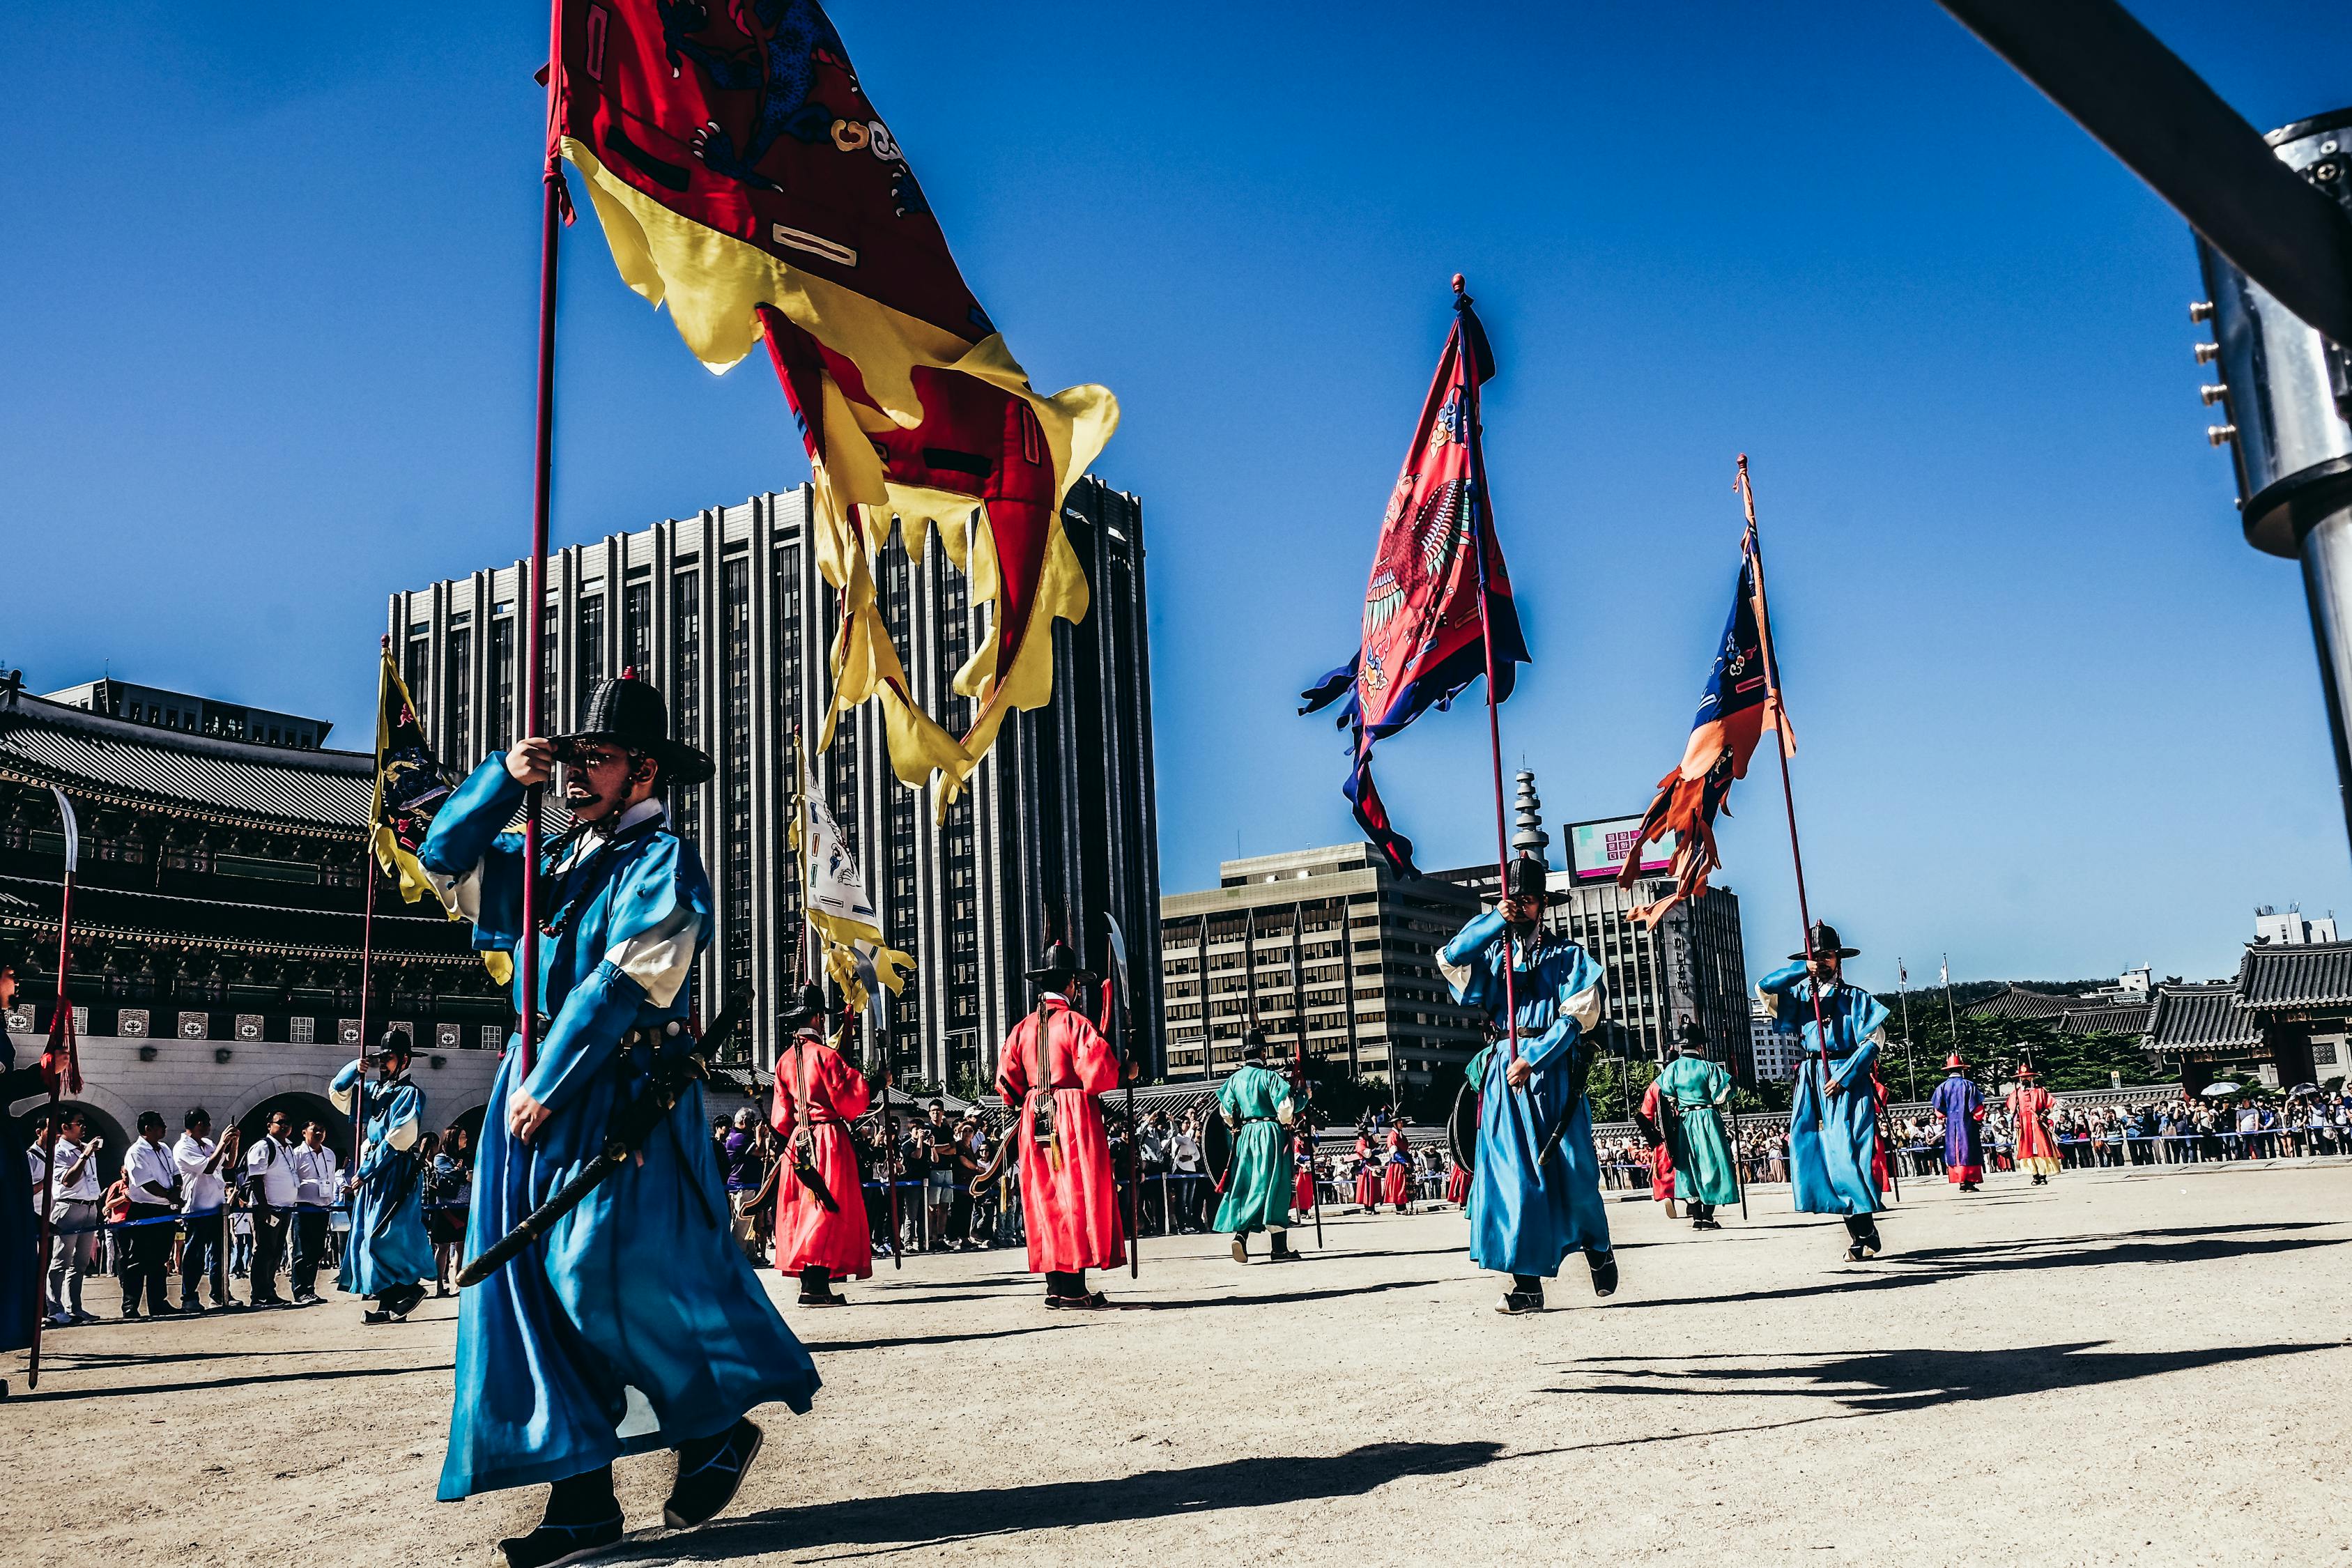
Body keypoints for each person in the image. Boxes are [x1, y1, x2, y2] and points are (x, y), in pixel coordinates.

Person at [420, 675, 815, 1562]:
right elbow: (443, 860)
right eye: (567, 756)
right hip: (534, 1090)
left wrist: (551, 1078)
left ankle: (711, 1424)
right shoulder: (548, 859)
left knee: (589, 1273)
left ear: (644, 769)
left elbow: (628, 980)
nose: (572, 773)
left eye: (592, 757)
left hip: (614, 1091)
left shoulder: (663, 861)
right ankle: (583, 1501)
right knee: (532, 1298)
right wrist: (498, 777)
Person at [1438, 854, 1615, 1315]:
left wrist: (1533, 1058)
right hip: (1503, 1073)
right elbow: (1450, 957)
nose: (1522, 906)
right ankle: (1526, 1285)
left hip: (1550, 1068)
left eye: (1529, 899)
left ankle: (1596, 1246)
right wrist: (1493, 919)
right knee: (1511, 1180)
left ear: (1542, 904)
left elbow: (1577, 1018)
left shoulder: (1569, 956)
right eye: (1514, 899)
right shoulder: (1492, 956)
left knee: (1573, 1173)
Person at [989, 940, 1130, 1309]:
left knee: (1046, 1199)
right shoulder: (1075, 1023)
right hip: (1071, 1117)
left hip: (1035, 1115)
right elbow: (1098, 1074)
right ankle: (1074, 1287)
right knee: (1077, 1195)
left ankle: (1056, 1284)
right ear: (1070, 984)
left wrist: (1030, 1097)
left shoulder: (1021, 1030)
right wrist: (1126, 1071)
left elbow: (1006, 1083)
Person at [1758, 922, 1889, 1261]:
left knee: (1846, 1154)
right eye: (1816, 957)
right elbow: (1764, 988)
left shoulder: (1857, 998)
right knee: (1818, 1155)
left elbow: (1874, 1041)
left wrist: (1845, 1075)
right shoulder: (1801, 997)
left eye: (1827, 956)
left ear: (1839, 959)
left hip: (1846, 1079)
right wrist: (1801, 971)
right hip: (1812, 1077)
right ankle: (1860, 1229)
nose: (1822, 962)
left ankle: (1861, 1227)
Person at [769, 984, 879, 1307]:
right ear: (818, 1019)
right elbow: (852, 1100)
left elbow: (780, 1119)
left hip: (797, 1144)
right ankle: (816, 1286)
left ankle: (811, 1282)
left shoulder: (785, 1061)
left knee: (804, 1211)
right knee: (826, 1209)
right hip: (827, 1140)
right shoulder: (826, 1056)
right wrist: (877, 1082)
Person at [333, 1031, 433, 1323]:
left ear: (403, 1060)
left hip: (393, 1172)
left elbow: (398, 1139)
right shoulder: (374, 1092)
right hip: (374, 1173)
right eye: (380, 1058)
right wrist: (355, 1067)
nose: (381, 1064)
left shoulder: (411, 1094)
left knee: (383, 1237)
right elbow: (339, 1093)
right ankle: (388, 1303)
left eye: (386, 1058)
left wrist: (364, 1172)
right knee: (366, 1237)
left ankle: (410, 1290)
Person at [1215, 1029, 1302, 1263]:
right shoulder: (1270, 1077)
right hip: (1270, 1133)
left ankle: (1241, 1236)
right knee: (1275, 1186)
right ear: (1263, 1052)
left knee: (1248, 1185)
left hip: (1246, 1135)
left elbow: (1226, 1112)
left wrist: (1236, 1124)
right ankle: (1279, 1249)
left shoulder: (1234, 1080)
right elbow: (1284, 1108)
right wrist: (1299, 1102)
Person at [1655, 1020, 1740, 1229]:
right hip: (1707, 1118)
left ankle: (1696, 1217)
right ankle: (1709, 1217)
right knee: (1712, 1164)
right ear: (1700, 1046)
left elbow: (1665, 1095)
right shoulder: (1708, 1067)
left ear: (1681, 1046)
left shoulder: (1672, 1069)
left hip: (1684, 1120)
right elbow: (1724, 1093)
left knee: (1688, 1166)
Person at [37, 1109, 102, 1325]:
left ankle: (75, 1307)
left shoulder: (84, 1148)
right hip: (69, 1207)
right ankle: (55, 1307)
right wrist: (85, 1156)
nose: (83, 1126)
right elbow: (68, 1181)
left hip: (89, 1207)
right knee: (60, 1261)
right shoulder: (59, 1152)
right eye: (79, 1123)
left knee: (81, 1262)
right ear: (65, 1127)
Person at [172, 1107, 241, 1312]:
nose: (210, 1127)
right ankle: (189, 1296)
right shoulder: (183, 1147)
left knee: (220, 1254)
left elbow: (228, 1164)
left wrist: (233, 1143)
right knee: (194, 1254)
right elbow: (208, 1168)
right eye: (207, 1123)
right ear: (199, 1124)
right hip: (198, 1208)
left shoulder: (209, 1144)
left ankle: (219, 1293)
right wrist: (222, 1143)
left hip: (217, 1207)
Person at [121, 1111, 180, 1319]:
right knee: (137, 1259)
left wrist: (176, 1189)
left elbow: (175, 1172)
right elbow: (144, 1182)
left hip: (165, 1209)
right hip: (144, 1209)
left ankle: (158, 1303)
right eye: (160, 1125)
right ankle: (130, 1305)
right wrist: (168, 1194)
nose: (164, 1128)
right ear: (148, 1129)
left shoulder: (164, 1149)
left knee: (160, 1258)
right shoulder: (136, 1152)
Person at [244, 1109, 299, 1306]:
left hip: (284, 1209)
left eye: (288, 1122)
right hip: (269, 1209)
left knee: (275, 1252)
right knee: (264, 1251)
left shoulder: (289, 1147)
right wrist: (264, 1207)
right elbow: (256, 1179)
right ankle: (259, 1295)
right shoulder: (263, 1147)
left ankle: (269, 1291)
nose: (285, 1126)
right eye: (280, 1122)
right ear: (269, 1126)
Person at [287, 1119, 340, 1304]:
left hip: (323, 1207)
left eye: (322, 1130)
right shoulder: (297, 1154)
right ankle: (300, 1291)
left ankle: (310, 1289)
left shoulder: (329, 1154)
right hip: (303, 1207)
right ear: (304, 1132)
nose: (319, 1133)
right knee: (302, 1250)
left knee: (317, 1250)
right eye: (315, 1130)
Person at [426, 1125, 474, 1298]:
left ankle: (459, 1284)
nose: (466, 1140)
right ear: (453, 1139)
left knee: (461, 1246)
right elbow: (453, 1176)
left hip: (465, 1207)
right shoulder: (441, 1158)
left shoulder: (464, 1158)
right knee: (443, 1247)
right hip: (445, 1209)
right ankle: (439, 1285)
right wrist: (463, 1173)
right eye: (462, 1137)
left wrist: (462, 1172)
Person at [1932, 1055, 1988, 1192]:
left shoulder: (1942, 1087)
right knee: (1969, 1150)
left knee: (1955, 1151)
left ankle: (1961, 1181)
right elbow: (1978, 1109)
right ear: (1962, 1069)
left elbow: (1938, 1110)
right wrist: (1978, 1119)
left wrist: (1947, 1115)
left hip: (1951, 1126)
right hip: (1967, 1125)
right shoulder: (1969, 1085)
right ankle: (1969, 1181)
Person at [1630, 1079, 1680, 1218]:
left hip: (1663, 1135)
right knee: (1686, 1168)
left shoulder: (1656, 1085)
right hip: (1685, 1130)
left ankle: (1668, 1196)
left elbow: (1646, 1113)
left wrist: (1652, 1135)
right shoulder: (1683, 1077)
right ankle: (1692, 1203)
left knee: (1665, 1168)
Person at [2005, 1066, 2061, 1185]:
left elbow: (2050, 1105)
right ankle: (2035, 1175)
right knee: (2028, 1151)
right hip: (2025, 1127)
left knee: (2042, 1149)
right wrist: (2017, 1121)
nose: (2025, 1079)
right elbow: (2013, 1111)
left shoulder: (2040, 1091)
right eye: (2022, 1077)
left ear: (2032, 1078)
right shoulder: (2016, 1093)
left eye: (2027, 1077)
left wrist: (2044, 1114)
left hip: (2038, 1125)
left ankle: (2043, 1175)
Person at [1381, 1119, 1413, 1213]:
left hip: (1404, 1164)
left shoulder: (1402, 1136)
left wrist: (1412, 1162)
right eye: (1400, 1122)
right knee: (1399, 1187)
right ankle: (1400, 1208)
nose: (1402, 1124)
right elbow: (1394, 1153)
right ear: (1395, 1124)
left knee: (1406, 1187)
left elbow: (1406, 1152)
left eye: (1402, 1122)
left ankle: (1403, 1206)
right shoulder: (1392, 1136)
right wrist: (1404, 1162)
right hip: (1397, 1165)